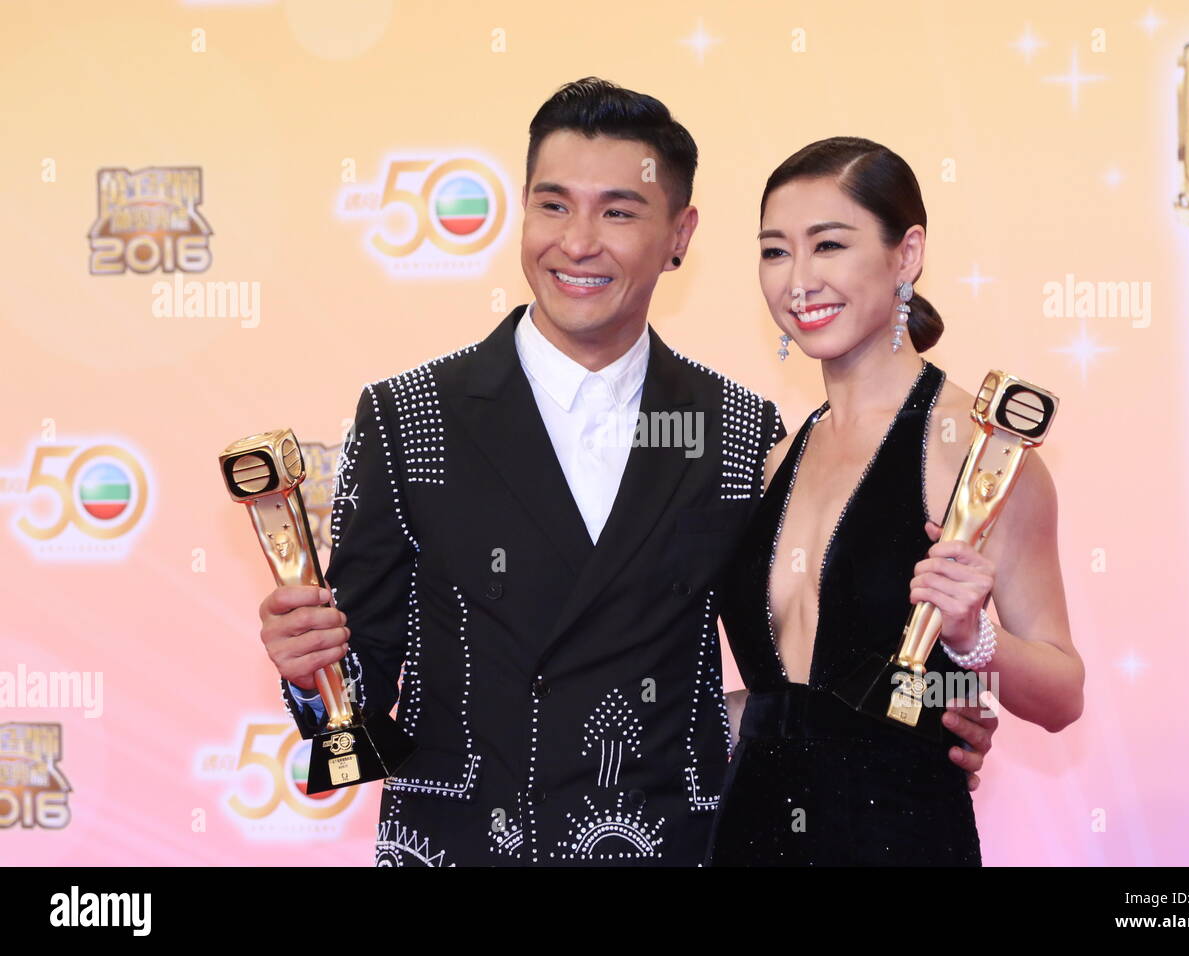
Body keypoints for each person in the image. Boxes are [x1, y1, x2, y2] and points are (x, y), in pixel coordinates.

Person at [257, 81, 998, 866]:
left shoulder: (742, 432)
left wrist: (917, 722)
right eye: (552, 206)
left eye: (618, 211)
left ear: (680, 235)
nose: (577, 243)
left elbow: (785, 676)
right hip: (465, 846)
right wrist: (312, 674)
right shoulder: (411, 418)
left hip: (673, 847)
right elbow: (357, 688)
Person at [706, 137, 1083, 866]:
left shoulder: (979, 458)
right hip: (752, 833)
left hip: (900, 839)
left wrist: (975, 640)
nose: (800, 281)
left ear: (906, 255)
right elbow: (787, 694)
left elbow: (1064, 693)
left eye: (830, 245)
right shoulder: (777, 456)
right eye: (776, 252)